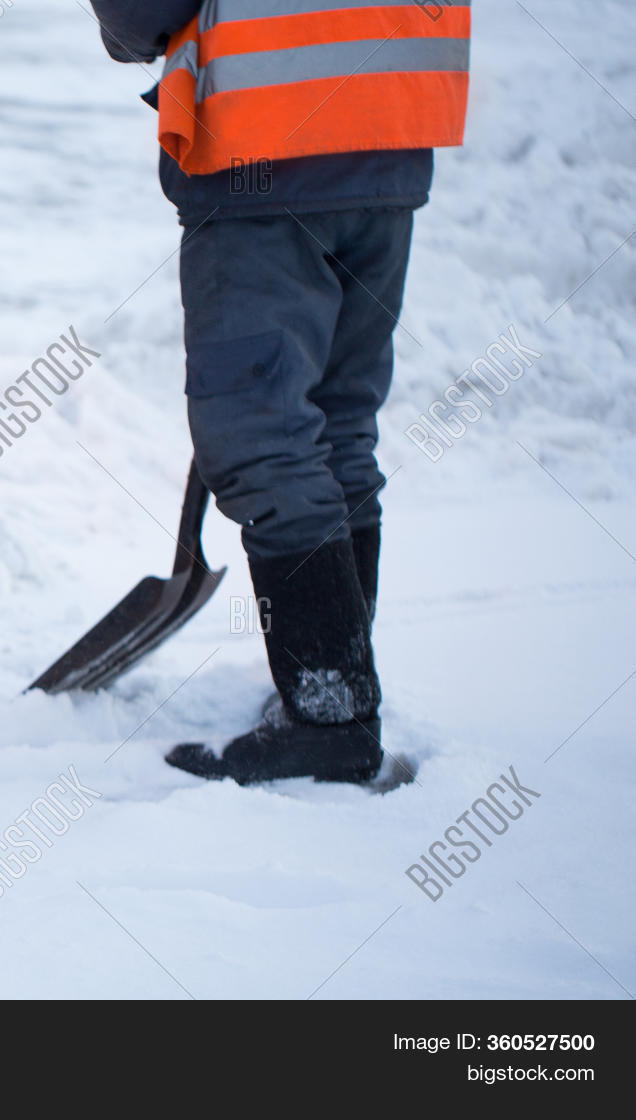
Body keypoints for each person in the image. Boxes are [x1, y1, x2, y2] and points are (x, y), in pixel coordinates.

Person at [89, 0, 470, 783]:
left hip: (269, 140)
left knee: (260, 437)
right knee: (334, 423)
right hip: (393, 126)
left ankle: (329, 718)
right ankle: (334, 689)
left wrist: (132, 34)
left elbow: (140, 8)